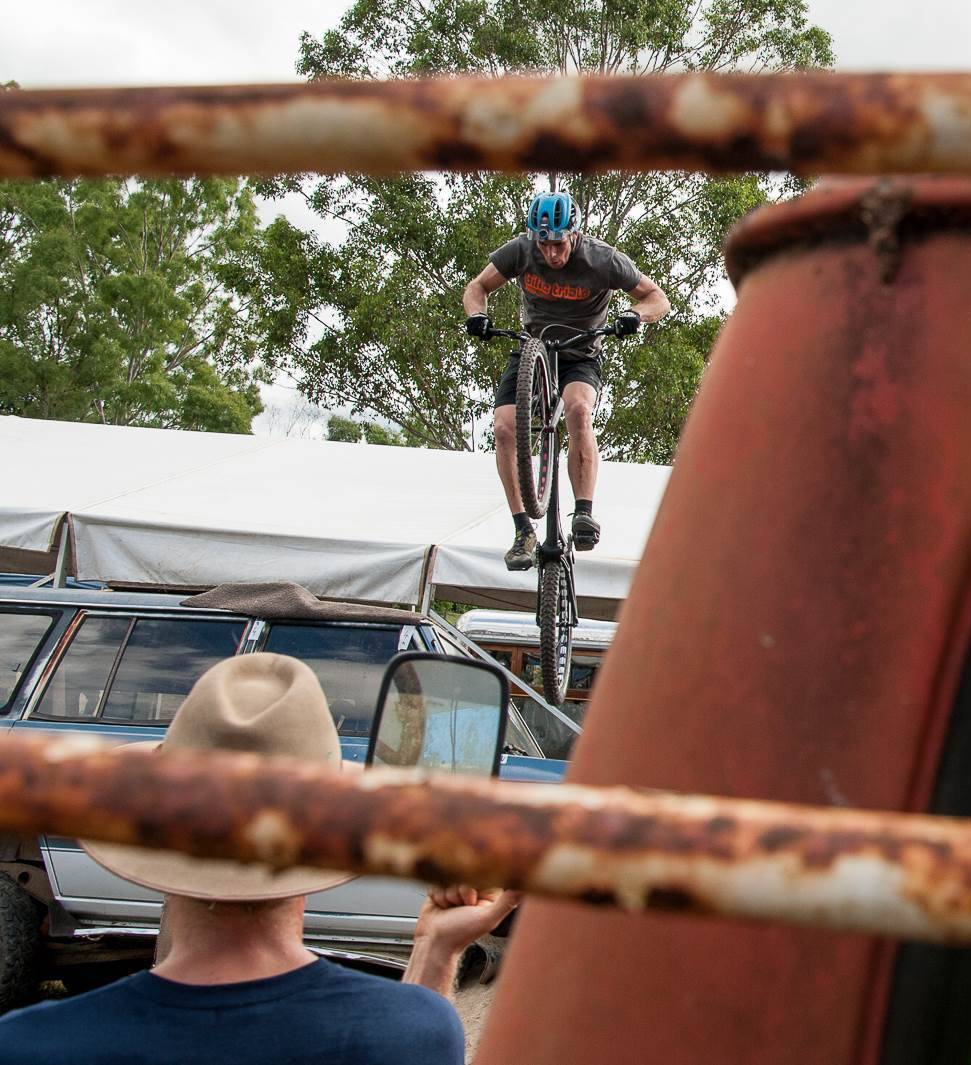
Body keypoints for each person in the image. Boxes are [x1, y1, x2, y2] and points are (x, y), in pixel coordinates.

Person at [0, 654, 519, 1064]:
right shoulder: (408, 1033)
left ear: (159, 836)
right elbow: (405, 1032)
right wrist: (435, 949)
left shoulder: (29, 1045)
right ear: (323, 839)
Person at [463, 190, 672, 570]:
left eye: (558, 244)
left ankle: (584, 512)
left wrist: (635, 315)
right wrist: (477, 315)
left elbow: (658, 298)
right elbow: (477, 287)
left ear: (574, 234)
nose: (551, 254)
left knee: (578, 408)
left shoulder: (602, 259)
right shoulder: (521, 250)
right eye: (544, 245)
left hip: (581, 355)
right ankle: (522, 529)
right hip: (533, 350)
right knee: (504, 427)